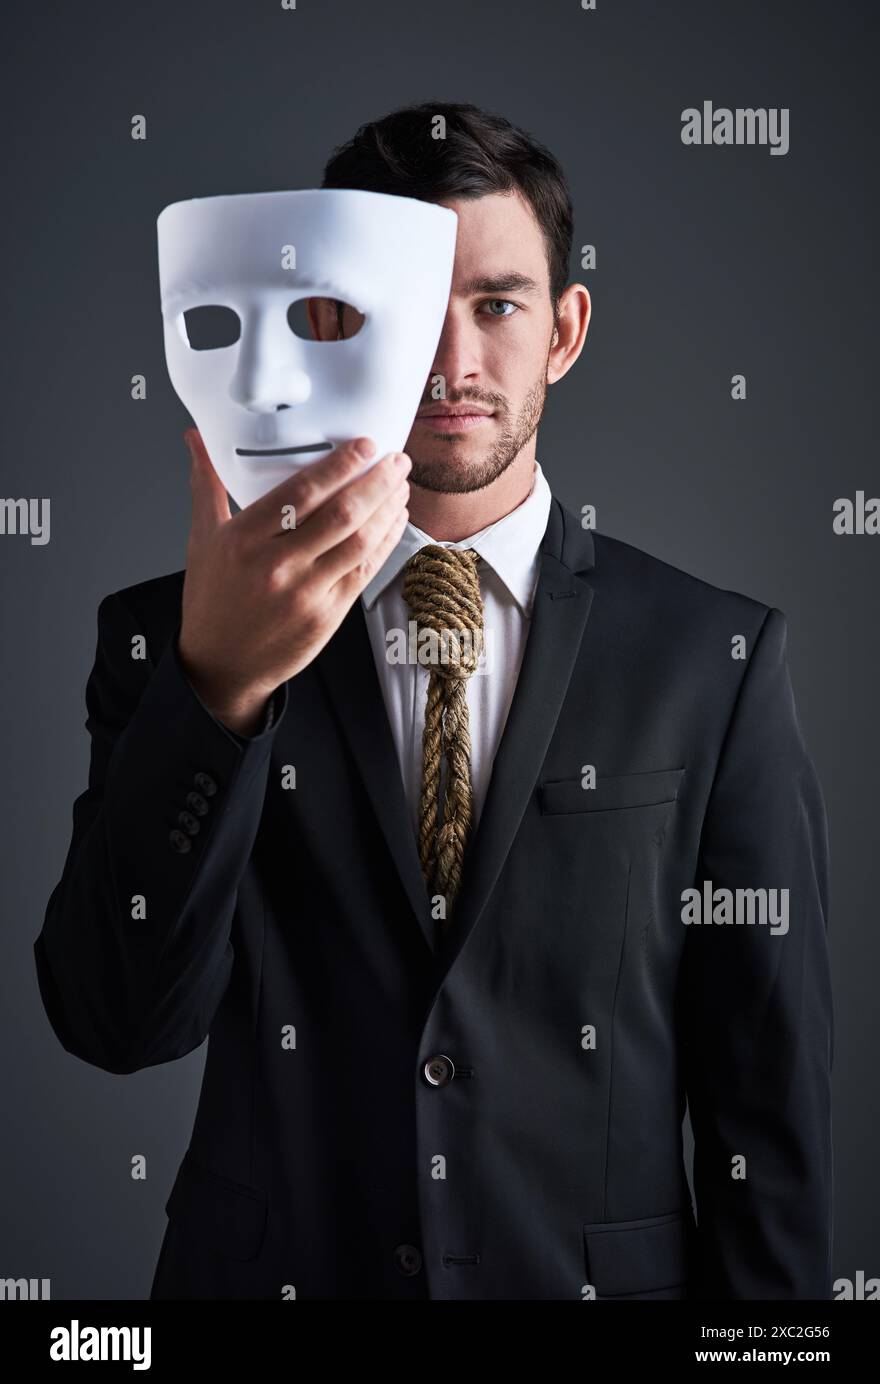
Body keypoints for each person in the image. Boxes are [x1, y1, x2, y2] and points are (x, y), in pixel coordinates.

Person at [34, 100, 833, 1300]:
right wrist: (222, 689)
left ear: (564, 331)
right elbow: (114, 1020)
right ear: (318, 325)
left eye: (498, 304)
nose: (453, 365)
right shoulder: (169, 638)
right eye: (400, 314)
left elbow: (764, 1113)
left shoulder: (710, 659)